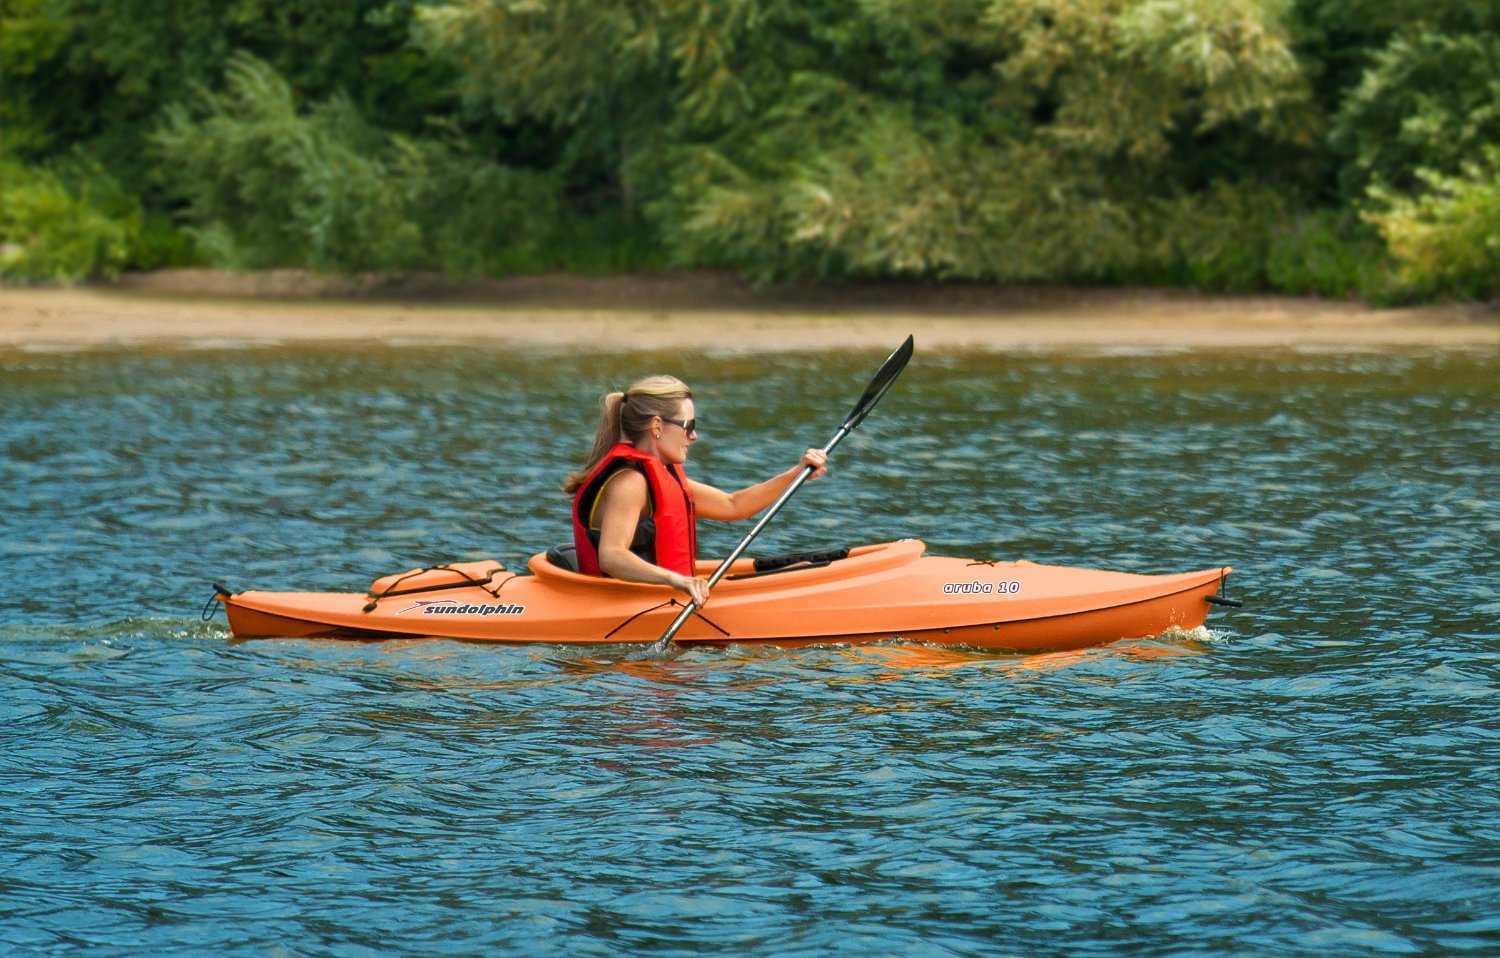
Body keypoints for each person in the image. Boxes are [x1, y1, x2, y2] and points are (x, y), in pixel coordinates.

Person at [562, 375, 828, 607]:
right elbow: (611, 556)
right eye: (688, 426)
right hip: (623, 601)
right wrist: (676, 580)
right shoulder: (629, 482)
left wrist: (796, 473)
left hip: (661, 595)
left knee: (798, 570)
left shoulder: (662, 476)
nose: (694, 436)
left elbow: (733, 505)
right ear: (656, 426)